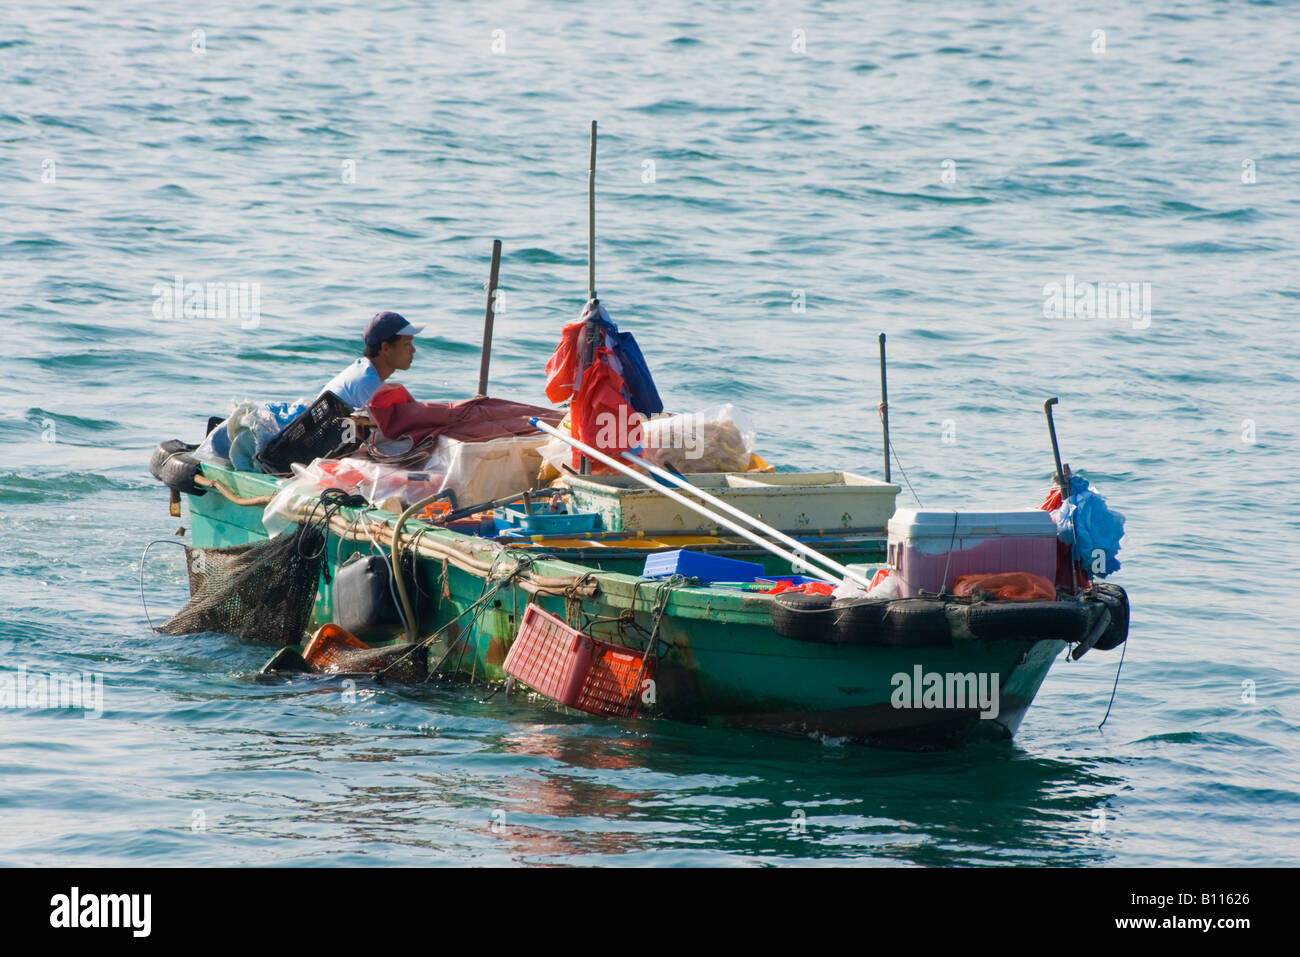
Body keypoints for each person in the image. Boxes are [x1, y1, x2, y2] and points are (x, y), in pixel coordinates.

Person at [321, 311, 424, 409]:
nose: (413, 350)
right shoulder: (367, 382)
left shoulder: (365, 371)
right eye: (407, 344)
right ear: (386, 348)